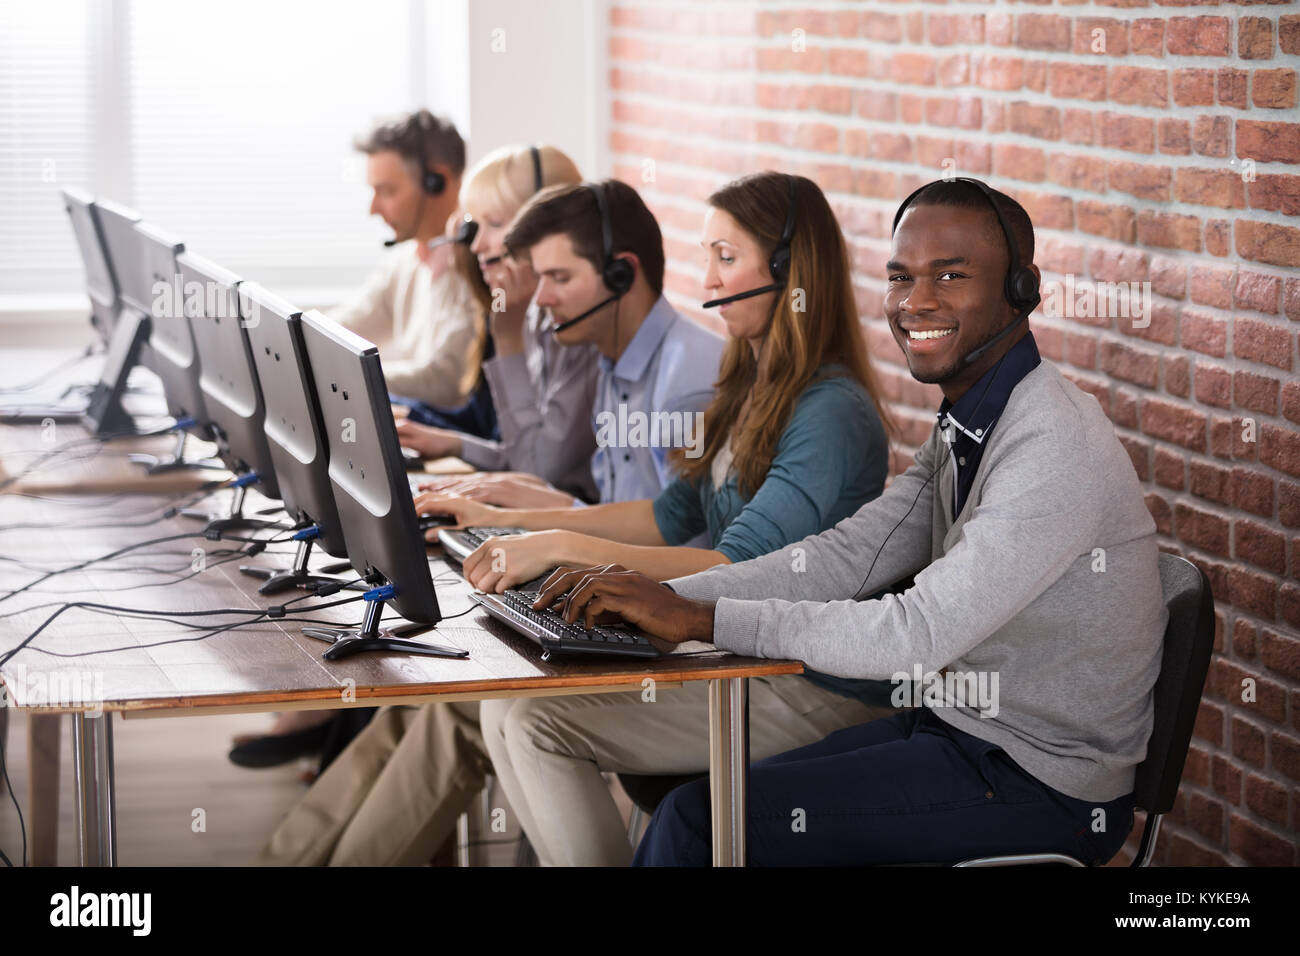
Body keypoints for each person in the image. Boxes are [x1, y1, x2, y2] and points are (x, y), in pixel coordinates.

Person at [535, 178, 1168, 867]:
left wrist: (702, 621)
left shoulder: (1050, 440)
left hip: (1042, 784)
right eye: (901, 278)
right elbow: (845, 556)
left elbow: (918, 633)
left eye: (950, 276)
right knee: (709, 803)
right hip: (958, 732)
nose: (916, 301)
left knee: (702, 823)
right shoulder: (965, 426)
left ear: (1022, 288)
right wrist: (674, 600)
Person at [253, 178, 729, 865]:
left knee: (460, 707)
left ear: (621, 273)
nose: (538, 297)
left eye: (558, 277)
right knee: (430, 699)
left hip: (664, 636)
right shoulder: (620, 361)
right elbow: (635, 512)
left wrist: (538, 529)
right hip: (603, 603)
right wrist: (510, 506)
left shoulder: (686, 377)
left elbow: (677, 542)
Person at [463, 171, 904, 866]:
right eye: (708, 257)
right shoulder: (750, 382)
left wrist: (559, 543)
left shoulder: (832, 413)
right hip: (744, 655)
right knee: (506, 708)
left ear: (790, 273)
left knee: (534, 722)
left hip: (813, 680)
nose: (709, 278)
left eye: (726, 258)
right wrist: (524, 533)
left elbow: (741, 567)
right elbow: (671, 516)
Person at [393, 143, 601, 503]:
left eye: (495, 224)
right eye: (477, 224)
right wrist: (453, 443)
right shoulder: (533, 316)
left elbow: (536, 471)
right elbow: (523, 451)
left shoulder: (579, 330)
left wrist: (507, 340)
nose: (477, 247)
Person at [334, 109, 486, 414]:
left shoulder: (479, 269)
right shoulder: (406, 260)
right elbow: (348, 324)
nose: (373, 209)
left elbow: (447, 381)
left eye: (387, 191)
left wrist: (342, 378)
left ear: (436, 182)